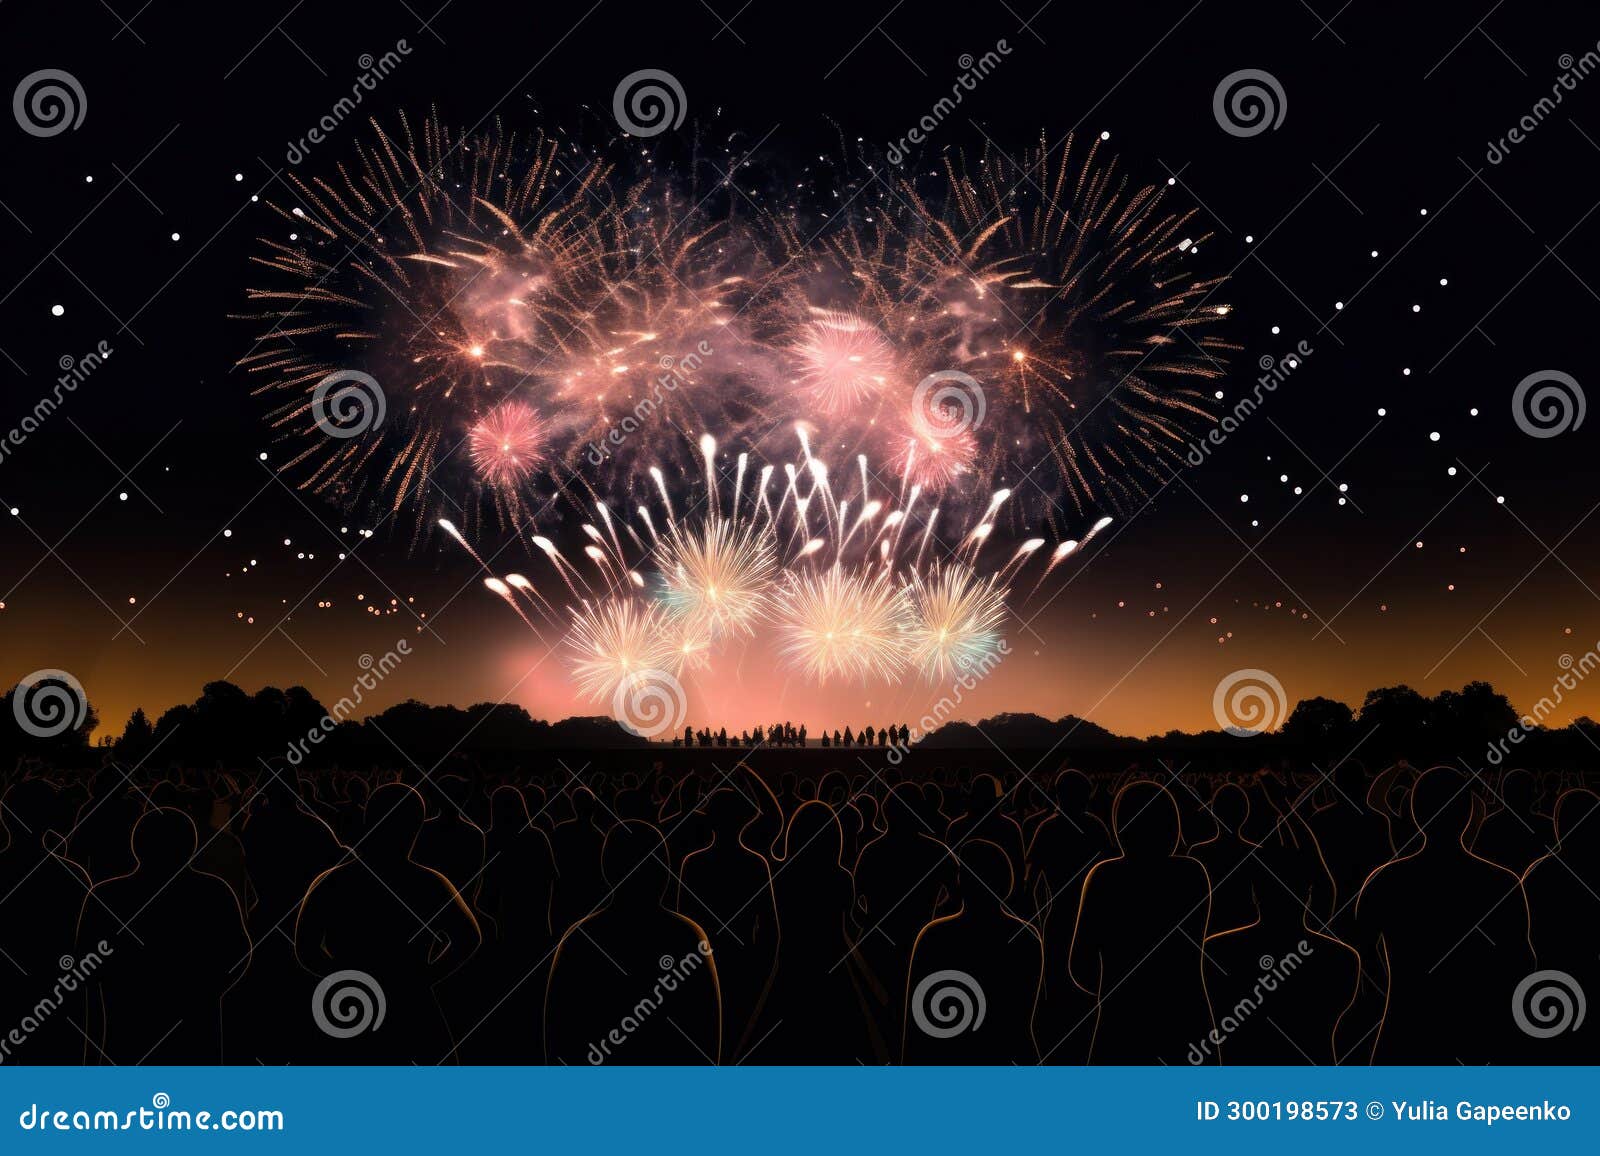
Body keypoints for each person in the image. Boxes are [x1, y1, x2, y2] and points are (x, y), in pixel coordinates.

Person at [545, 821, 720, 1064]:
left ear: (607, 870)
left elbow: (557, 1039)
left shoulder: (580, 937)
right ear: (664, 870)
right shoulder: (688, 935)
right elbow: (707, 1037)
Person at [1069, 780, 1214, 1063]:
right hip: (1187, 1022)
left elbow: (1079, 964)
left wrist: (1116, 993)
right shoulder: (1191, 874)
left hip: (1118, 1026)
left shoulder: (1104, 878)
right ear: (1172, 826)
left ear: (1120, 825)